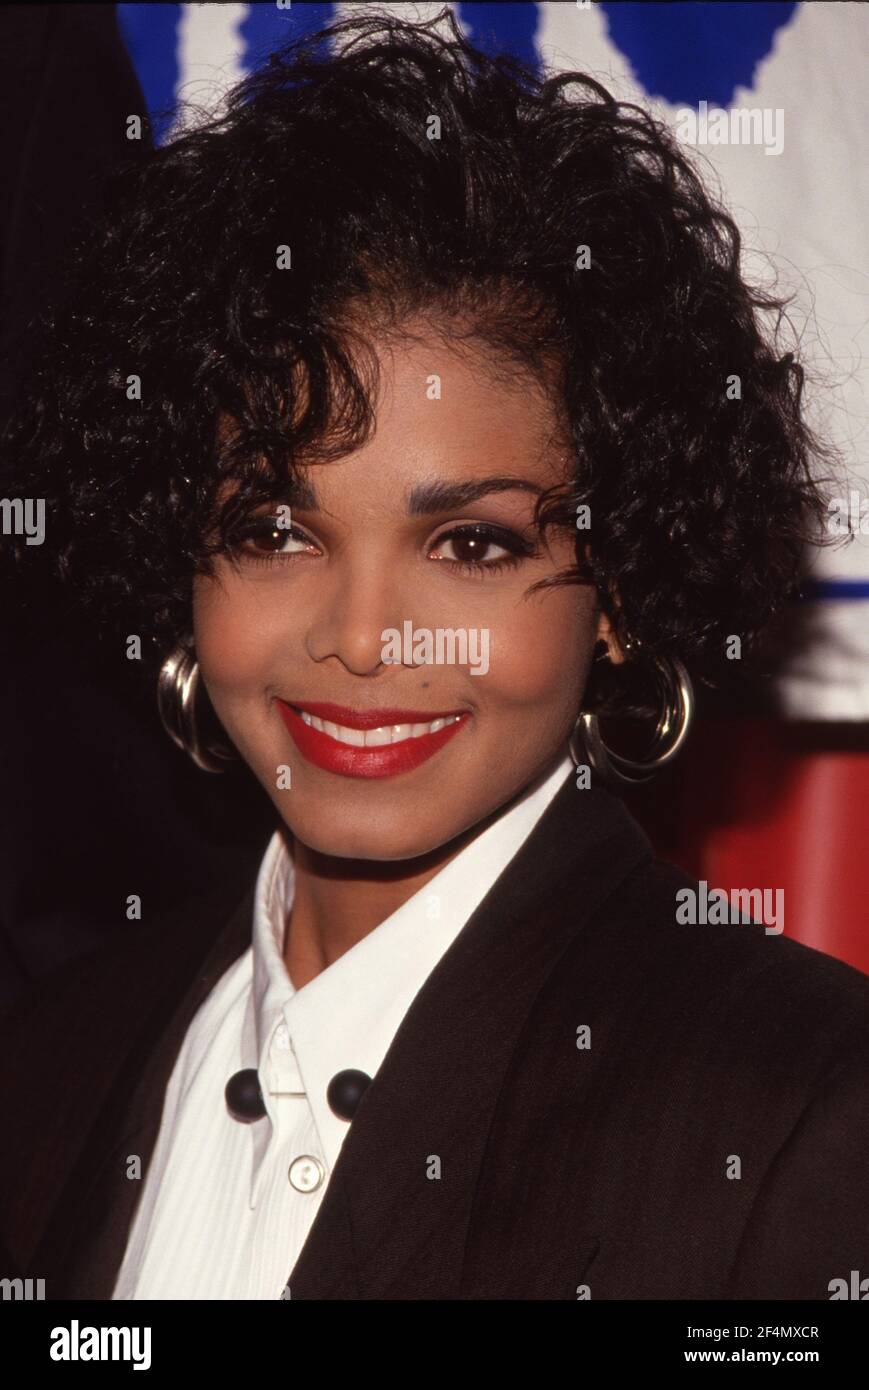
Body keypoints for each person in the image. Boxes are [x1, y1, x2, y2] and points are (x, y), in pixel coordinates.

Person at [0, 9, 866, 1302]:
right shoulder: (49, 1059)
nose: (363, 637)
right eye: (273, 530)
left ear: (621, 589)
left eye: (470, 544)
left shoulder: (805, 1112)